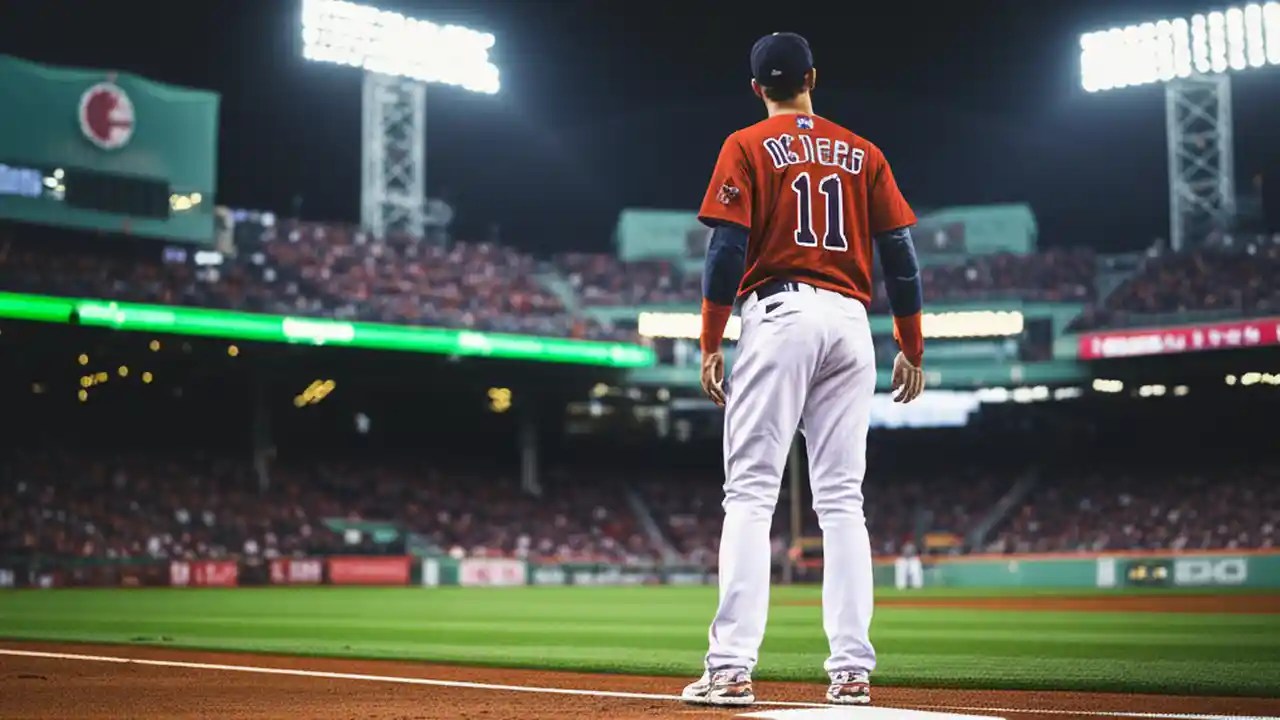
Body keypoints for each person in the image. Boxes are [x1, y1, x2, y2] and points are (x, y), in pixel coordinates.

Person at [680, 32, 925, 707]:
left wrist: (710, 339)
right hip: (852, 322)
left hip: (781, 312)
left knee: (752, 496)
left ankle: (730, 667)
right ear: (813, 77)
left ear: (757, 87)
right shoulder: (862, 150)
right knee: (844, 502)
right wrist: (913, 345)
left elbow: (727, 248)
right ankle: (851, 671)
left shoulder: (747, 144)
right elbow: (900, 257)